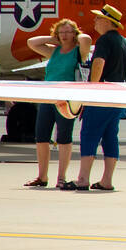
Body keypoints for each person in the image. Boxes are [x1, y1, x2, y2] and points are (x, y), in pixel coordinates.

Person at [68, 5, 126, 190]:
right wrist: (122, 81)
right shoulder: (123, 41)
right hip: (117, 94)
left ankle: (83, 179)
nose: (95, 21)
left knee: (89, 133)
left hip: (101, 94)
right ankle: (107, 180)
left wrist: (93, 88)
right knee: (110, 136)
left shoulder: (104, 40)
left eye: (98, 18)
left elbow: (98, 62)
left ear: (107, 22)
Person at [24, 19, 92, 187]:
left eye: (68, 32)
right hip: (48, 97)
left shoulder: (78, 52)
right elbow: (31, 42)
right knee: (41, 137)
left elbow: (86, 39)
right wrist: (54, 39)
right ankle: (42, 176)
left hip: (67, 100)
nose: (64, 35)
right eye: (61, 32)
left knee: (64, 138)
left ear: (74, 33)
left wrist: (74, 36)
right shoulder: (54, 51)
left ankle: (61, 177)